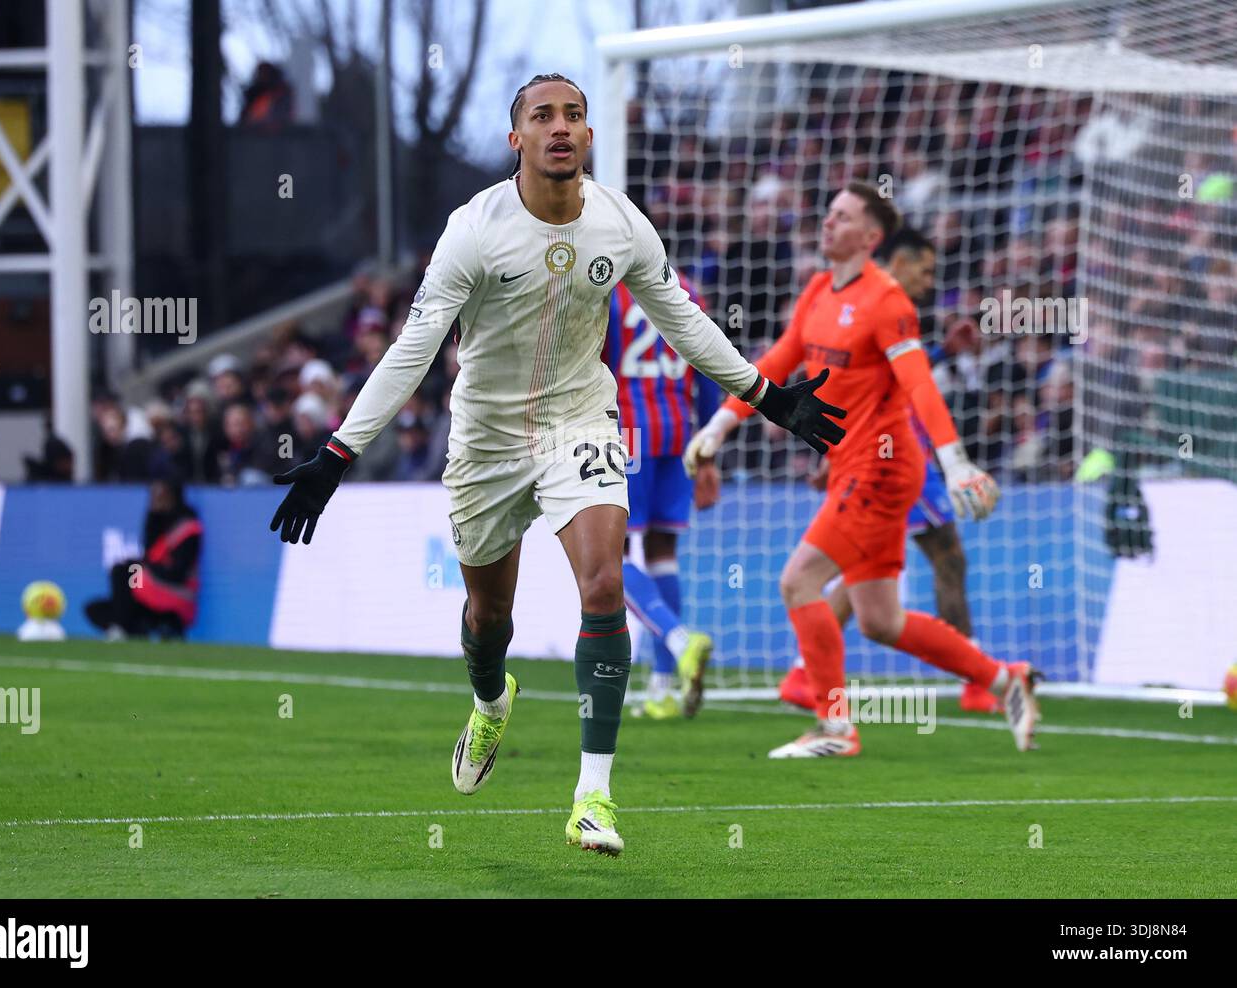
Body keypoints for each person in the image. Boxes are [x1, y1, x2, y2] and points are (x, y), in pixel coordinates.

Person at [268, 73, 846, 856]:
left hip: (581, 420)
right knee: (488, 622)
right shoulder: (473, 230)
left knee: (605, 584)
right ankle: (488, 702)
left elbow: (680, 316)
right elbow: (414, 349)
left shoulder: (620, 224)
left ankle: (593, 797)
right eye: (543, 116)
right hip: (487, 438)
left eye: (573, 114)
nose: (561, 127)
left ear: (588, 134)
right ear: (518, 139)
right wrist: (337, 453)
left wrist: (764, 395)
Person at [685, 182, 1039, 759]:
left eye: (842, 217)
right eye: (827, 213)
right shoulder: (820, 289)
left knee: (798, 581)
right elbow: (776, 362)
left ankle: (835, 727)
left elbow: (919, 382)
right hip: (849, 465)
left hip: (883, 469)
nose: (827, 223)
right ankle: (1004, 680)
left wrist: (955, 465)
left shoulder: (887, 301)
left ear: (871, 237)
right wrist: (717, 428)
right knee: (881, 621)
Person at [776, 227, 1001, 715]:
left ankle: (802, 674)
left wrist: (945, 352)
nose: (929, 279)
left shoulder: (884, 306)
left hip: (877, 454)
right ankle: (979, 678)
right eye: (924, 267)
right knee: (944, 557)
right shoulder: (876, 300)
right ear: (899, 260)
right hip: (896, 460)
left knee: (861, 576)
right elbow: (871, 384)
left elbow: (886, 378)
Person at [604, 274, 721, 720]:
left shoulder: (608, 290)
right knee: (662, 553)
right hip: (680, 430)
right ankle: (663, 688)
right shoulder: (690, 289)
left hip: (627, 430)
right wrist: (707, 451)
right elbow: (709, 366)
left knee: (608, 556)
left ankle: (677, 637)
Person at [85, 478, 203, 639]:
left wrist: (148, 569)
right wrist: (153, 514)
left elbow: (178, 571)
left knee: (127, 570)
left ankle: (123, 626)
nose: (158, 498)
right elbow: (149, 552)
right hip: (151, 588)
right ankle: (128, 624)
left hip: (174, 589)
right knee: (94, 608)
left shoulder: (188, 526)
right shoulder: (158, 520)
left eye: (162, 493)